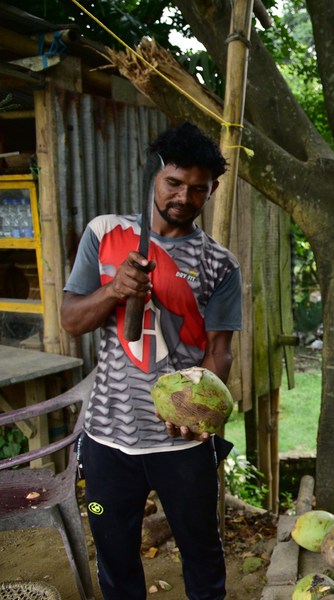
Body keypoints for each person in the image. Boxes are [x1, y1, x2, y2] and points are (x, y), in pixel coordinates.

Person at [60, 121, 242, 600]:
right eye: (174, 183)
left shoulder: (221, 264)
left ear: (212, 190)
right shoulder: (105, 233)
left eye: (198, 189)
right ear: (155, 176)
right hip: (107, 441)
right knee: (113, 553)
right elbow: (72, 321)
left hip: (181, 445)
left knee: (202, 554)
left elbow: (219, 351)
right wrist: (113, 290)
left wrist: (199, 413)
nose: (184, 197)